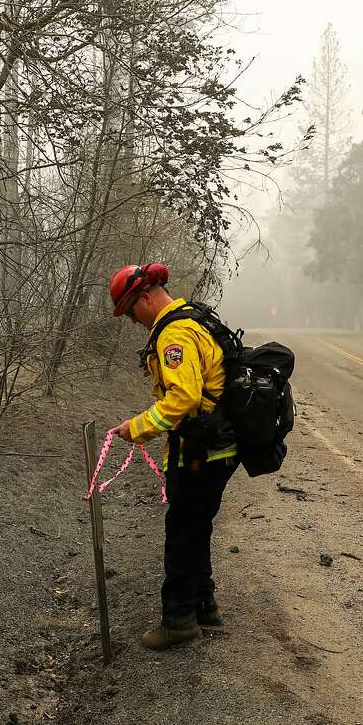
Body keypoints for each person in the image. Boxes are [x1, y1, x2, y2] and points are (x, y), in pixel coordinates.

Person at [109, 263, 238, 650]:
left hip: (199, 451)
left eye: (131, 311)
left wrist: (138, 427)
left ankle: (179, 620)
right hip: (219, 447)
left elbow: (183, 397)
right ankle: (204, 606)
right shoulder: (193, 317)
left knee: (181, 532)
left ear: (145, 298)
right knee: (197, 526)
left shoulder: (174, 333)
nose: (133, 321)